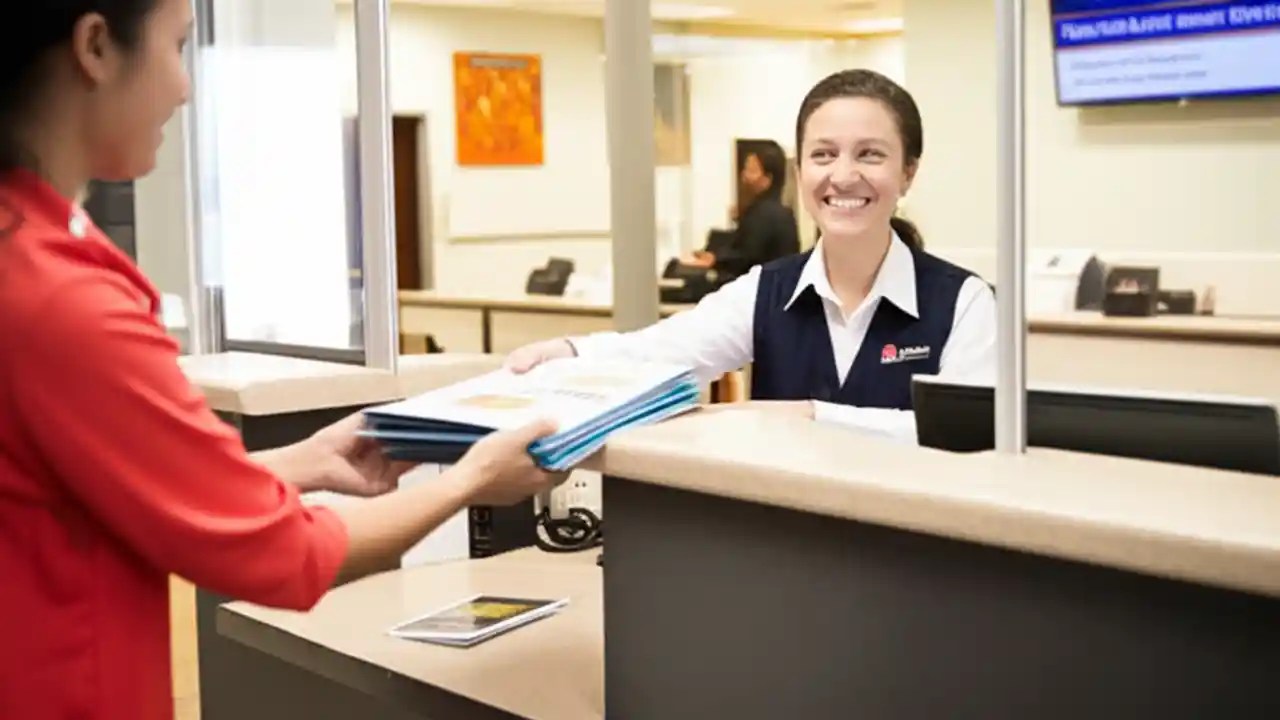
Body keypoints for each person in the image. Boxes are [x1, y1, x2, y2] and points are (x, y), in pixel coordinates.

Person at [0, 2, 567, 718]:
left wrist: (305, 460)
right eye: (178, 47)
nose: (185, 86)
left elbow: (101, 496)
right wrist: (469, 481)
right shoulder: (61, 300)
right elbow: (286, 557)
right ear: (95, 46)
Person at [508, 69, 996, 443]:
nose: (843, 176)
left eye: (870, 154)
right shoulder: (766, 291)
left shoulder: (963, 303)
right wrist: (567, 353)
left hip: (918, 558)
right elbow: (658, 354)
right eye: (823, 154)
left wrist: (809, 414)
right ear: (800, 168)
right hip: (781, 551)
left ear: (908, 172)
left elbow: (970, 437)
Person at [686, 141, 801, 281]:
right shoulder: (776, 212)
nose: (744, 176)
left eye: (751, 171)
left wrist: (715, 260)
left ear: (767, 179)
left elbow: (747, 256)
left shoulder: (765, 214)